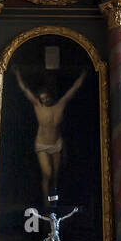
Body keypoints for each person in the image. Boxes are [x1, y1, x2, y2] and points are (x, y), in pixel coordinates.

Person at [15, 68, 85, 201]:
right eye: (42, 99)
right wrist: (18, 74)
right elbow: (25, 90)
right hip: (42, 144)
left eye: (46, 97)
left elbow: (74, 89)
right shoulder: (38, 106)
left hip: (56, 144)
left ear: (51, 96)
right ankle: (45, 204)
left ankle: (53, 203)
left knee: (56, 176)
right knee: (47, 173)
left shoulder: (60, 105)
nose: (45, 100)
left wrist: (83, 74)